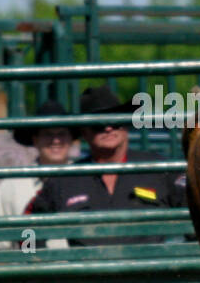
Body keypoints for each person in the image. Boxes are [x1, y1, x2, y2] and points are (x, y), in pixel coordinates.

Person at [29, 86, 187, 246]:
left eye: (115, 120)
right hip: (90, 269)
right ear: (84, 131)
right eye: (98, 123)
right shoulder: (65, 180)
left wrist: (192, 263)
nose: (108, 127)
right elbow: (27, 228)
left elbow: (199, 212)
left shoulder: (159, 169)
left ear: (126, 123)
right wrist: (35, 264)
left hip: (149, 269)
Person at [0, 99, 75, 250]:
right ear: (35, 140)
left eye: (62, 133)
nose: (55, 140)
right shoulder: (12, 186)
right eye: (47, 134)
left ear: (71, 139)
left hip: (78, 271)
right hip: (28, 270)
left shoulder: (87, 180)